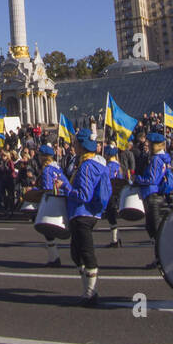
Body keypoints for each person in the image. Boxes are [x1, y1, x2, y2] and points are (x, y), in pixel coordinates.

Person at [64, 128, 111, 307]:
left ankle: (91, 293)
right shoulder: (97, 164)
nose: (74, 146)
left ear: (82, 146)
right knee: (76, 254)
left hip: (82, 213)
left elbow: (83, 194)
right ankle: (88, 291)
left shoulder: (86, 166)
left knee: (85, 253)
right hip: (88, 213)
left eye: (76, 144)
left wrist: (66, 188)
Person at [133, 132, 173, 269]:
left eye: (150, 143)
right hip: (153, 195)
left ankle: (163, 258)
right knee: (152, 227)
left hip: (153, 196)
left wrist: (138, 179)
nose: (148, 145)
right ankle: (159, 257)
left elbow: (152, 179)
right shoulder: (161, 158)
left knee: (156, 229)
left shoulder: (156, 160)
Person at [38, 142, 69, 266]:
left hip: (53, 200)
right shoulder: (57, 168)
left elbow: (47, 188)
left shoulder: (46, 170)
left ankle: (54, 257)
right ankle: (54, 257)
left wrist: (35, 192)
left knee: (47, 229)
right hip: (63, 197)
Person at [103, 143, 126, 247]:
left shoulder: (108, 167)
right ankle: (117, 238)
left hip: (109, 193)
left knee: (111, 216)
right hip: (116, 192)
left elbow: (106, 180)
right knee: (112, 216)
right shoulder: (118, 166)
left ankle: (115, 239)